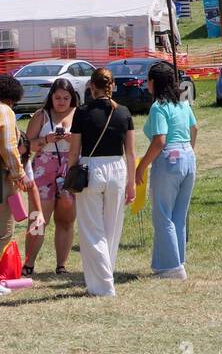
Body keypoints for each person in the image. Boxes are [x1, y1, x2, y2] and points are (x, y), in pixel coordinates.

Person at [66, 68, 136, 297]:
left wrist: (69, 177)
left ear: (91, 87)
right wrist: (132, 183)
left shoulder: (82, 112)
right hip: (117, 169)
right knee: (112, 227)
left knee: (91, 229)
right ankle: (106, 276)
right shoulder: (124, 112)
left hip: (90, 168)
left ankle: (102, 284)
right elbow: (131, 153)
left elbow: (74, 152)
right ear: (112, 85)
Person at [135, 62, 198, 280]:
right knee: (178, 215)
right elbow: (194, 128)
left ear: (153, 82)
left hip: (169, 159)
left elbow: (159, 140)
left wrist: (142, 166)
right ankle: (175, 262)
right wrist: (189, 150)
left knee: (162, 215)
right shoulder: (182, 102)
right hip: (188, 156)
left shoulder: (158, 106)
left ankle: (172, 267)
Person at [23, 78, 78, 275]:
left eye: (66, 97)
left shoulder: (79, 114)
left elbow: (88, 145)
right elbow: (26, 146)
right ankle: (28, 265)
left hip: (69, 168)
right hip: (43, 169)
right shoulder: (41, 115)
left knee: (66, 219)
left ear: (72, 97)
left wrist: (74, 141)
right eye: (57, 97)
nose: (61, 101)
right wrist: (46, 139)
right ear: (51, 98)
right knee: (38, 218)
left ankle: (61, 265)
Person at [0, 74, 30, 292]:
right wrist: (20, 174)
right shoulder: (5, 111)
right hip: (1, 177)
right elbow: (10, 148)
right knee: (3, 230)